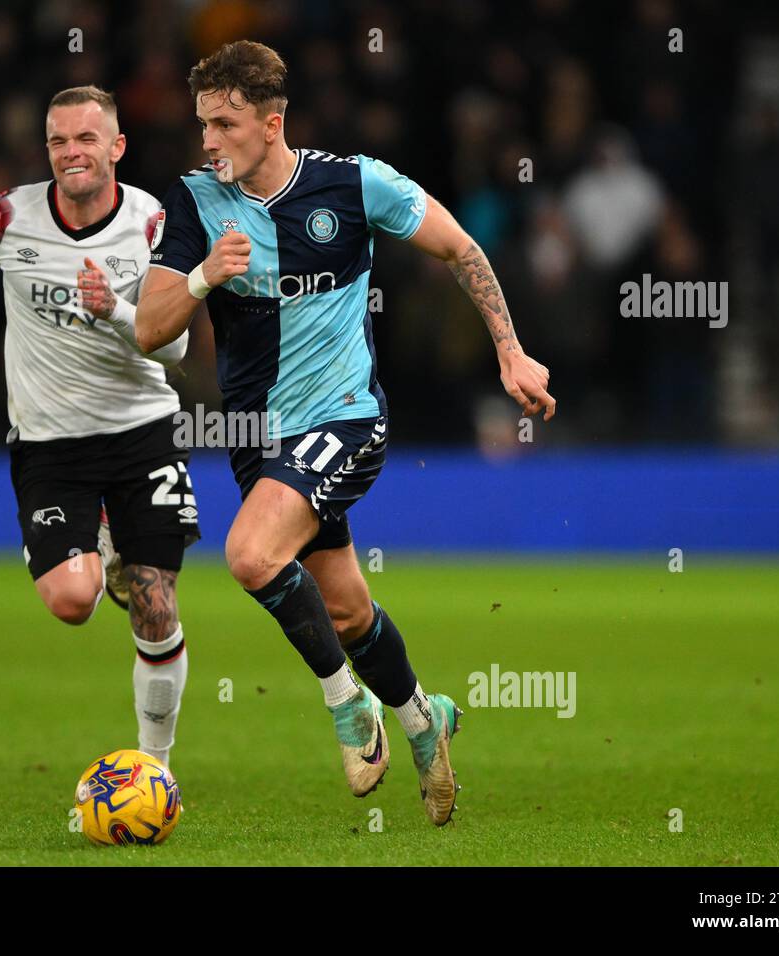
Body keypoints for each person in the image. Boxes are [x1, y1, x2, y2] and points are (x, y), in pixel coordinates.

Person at [135, 42, 556, 824]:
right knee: (348, 614)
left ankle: (349, 706)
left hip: (345, 419)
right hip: (259, 441)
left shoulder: (355, 183)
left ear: (272, 121)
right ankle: (425, 717)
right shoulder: (193, 203)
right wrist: (201, 280)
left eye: (224, 124)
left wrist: (510, 348)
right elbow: (147, 329)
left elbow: (461, 247)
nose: (209, 141)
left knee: (250, 556)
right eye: (202, 125)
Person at [0, 87, 198, 769]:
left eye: (85, 139)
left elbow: (176, 350)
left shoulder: (155, 224)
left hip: (142, 431)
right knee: (74, 600)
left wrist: (112, 311)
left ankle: (155, 769)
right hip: (50, 442)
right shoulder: (6, 217)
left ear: (116, 147)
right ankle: (84, 549)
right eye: (57, 141)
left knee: (155, 607)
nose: (71, 153)